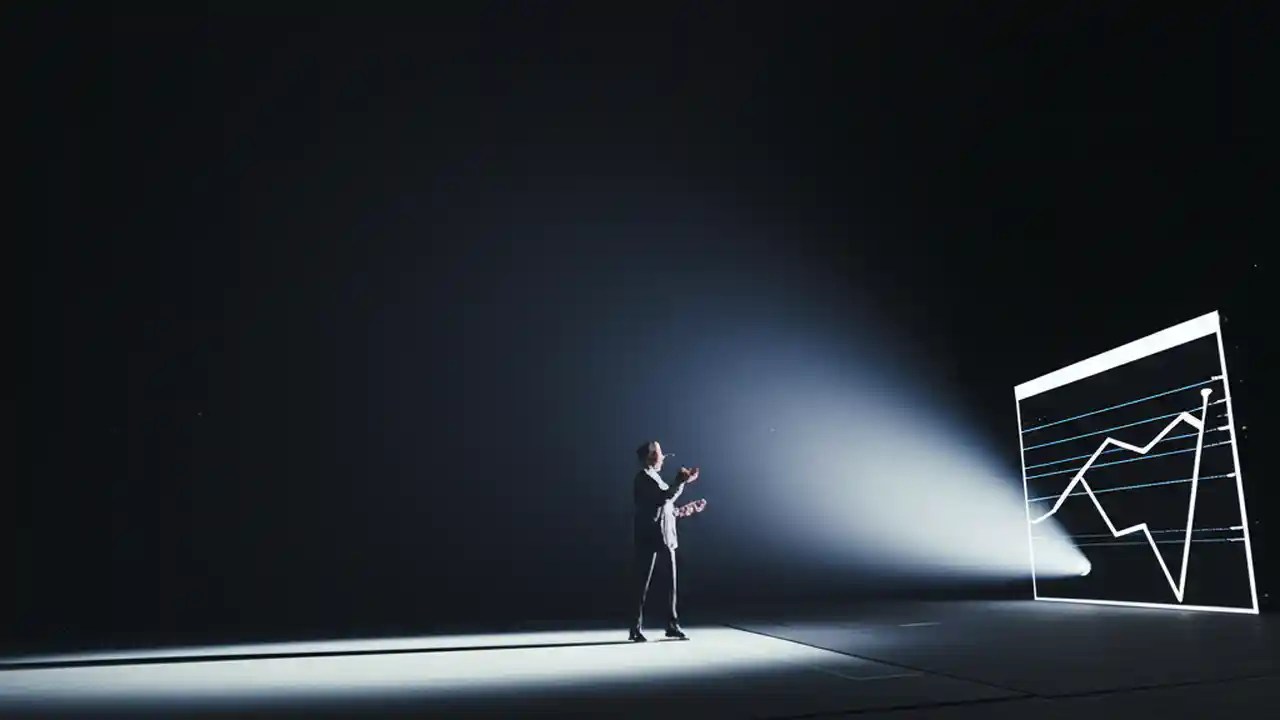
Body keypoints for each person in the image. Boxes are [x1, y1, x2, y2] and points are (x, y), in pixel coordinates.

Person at [629, 440, 705, 642]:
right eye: (660, 455)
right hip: (650, 536)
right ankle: (635, 627)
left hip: (665, 537)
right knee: (642, 584)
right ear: (650, 457)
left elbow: (667, 507)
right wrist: (681, 481)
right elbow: (663, 498)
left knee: (670, 583)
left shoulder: (656, 479)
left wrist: (687, 509)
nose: (662, 459)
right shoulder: (643, 478)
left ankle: (672, 624)